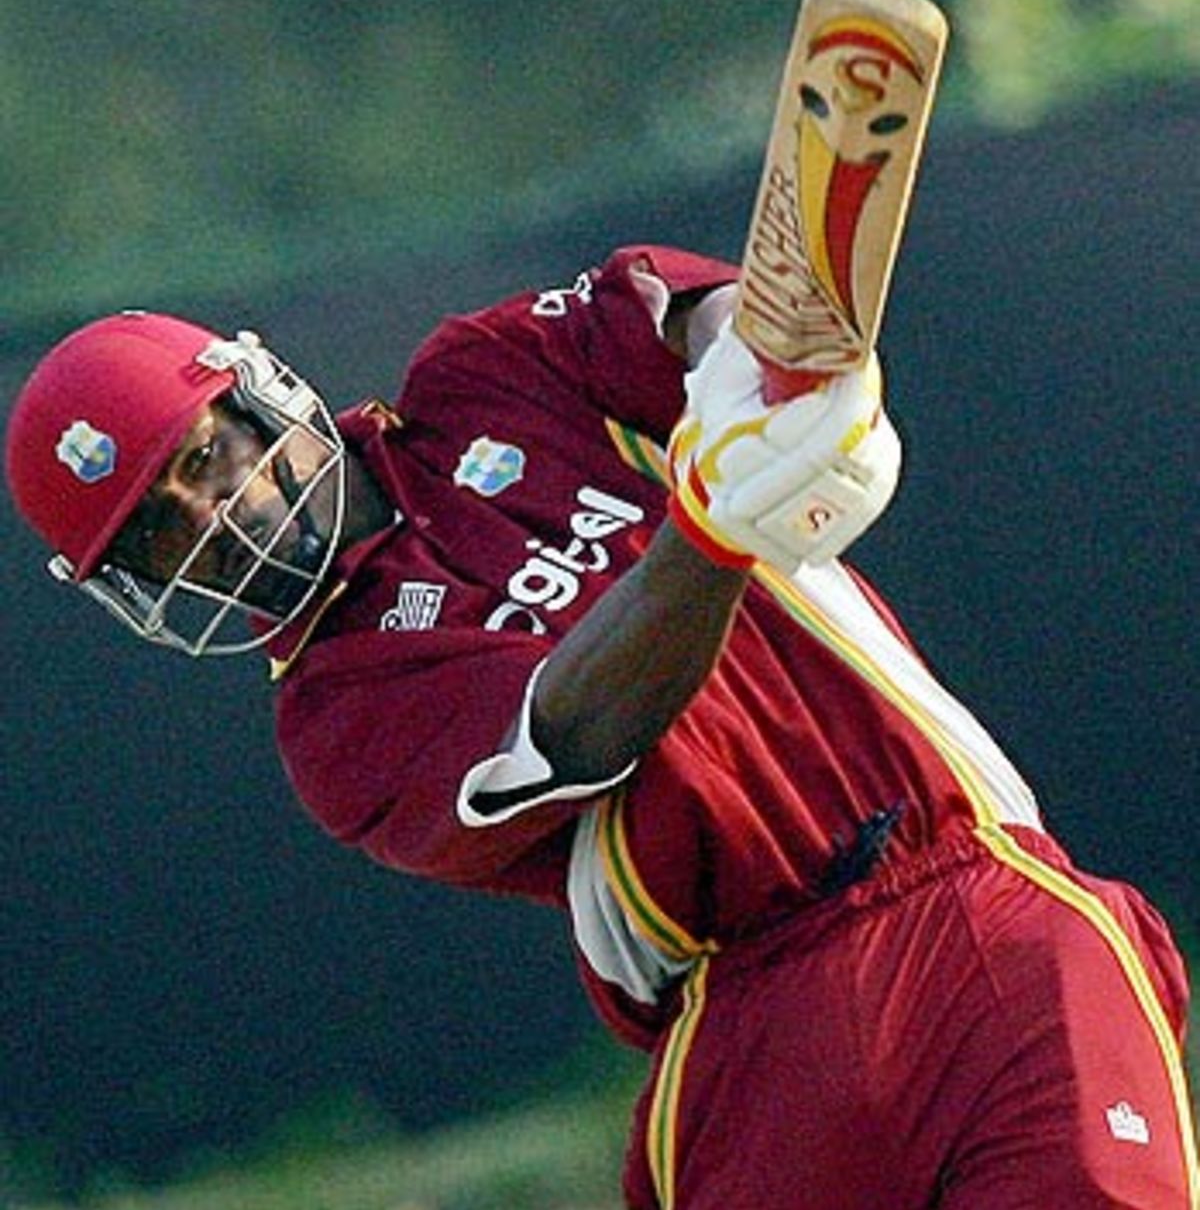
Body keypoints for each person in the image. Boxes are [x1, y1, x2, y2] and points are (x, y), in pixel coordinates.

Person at [5, 244, 1197, 1209]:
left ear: (260, 399)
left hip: (971, 906)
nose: (216, 519)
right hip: (747, 1029)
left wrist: (771, 380)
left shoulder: (482, 372)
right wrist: (716, 519)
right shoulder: (335, 718)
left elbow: (694, 313)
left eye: (207, 461)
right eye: (164, 534)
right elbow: (582, 725)